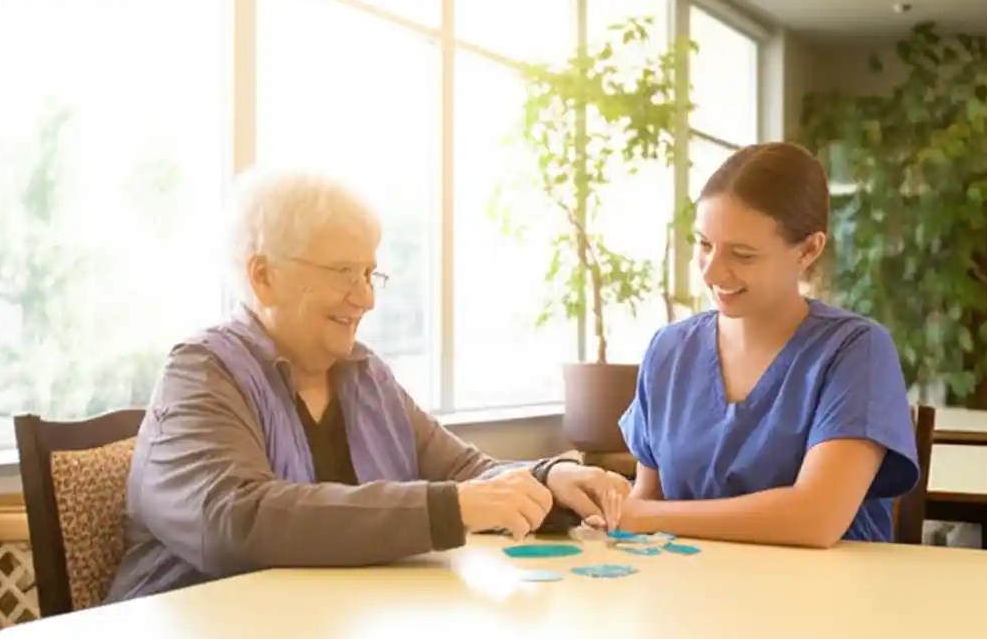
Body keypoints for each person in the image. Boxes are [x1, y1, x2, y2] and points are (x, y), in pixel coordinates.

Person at [105, 171, 629, 604]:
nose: (365, 298)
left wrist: (548, 477)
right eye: (342, 272)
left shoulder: (364, 374)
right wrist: (456, 507)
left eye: (369, 274)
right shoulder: (202, 372)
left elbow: (464, 473)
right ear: (263, 276)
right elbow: (235, 521)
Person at [617, 142, 919, 546]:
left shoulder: (855, 350)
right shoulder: (669, 350)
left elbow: (816, 519)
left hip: (826, 599)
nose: (712, 271)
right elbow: (645, 501)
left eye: (742, 254)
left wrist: (643, 516)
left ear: (809, 249)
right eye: (705, 245)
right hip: (690, 593)